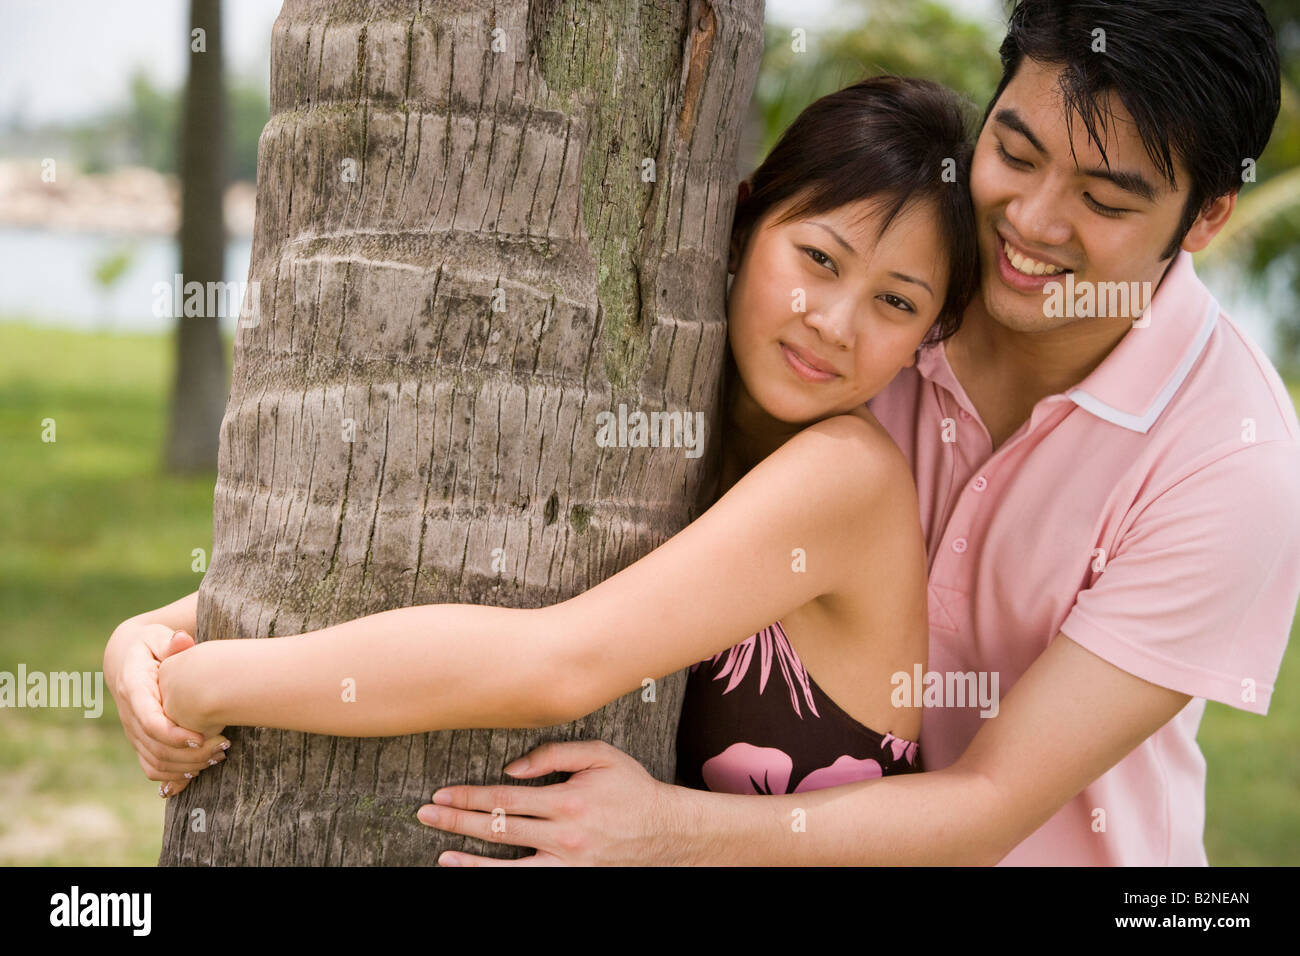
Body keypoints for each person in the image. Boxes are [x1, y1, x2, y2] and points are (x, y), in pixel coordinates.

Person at [407, 0, 1300, 866]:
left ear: (1209, 215)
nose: (1031, 221)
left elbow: (987, 809)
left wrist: (665, 834)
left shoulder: (1231, 462)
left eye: (1104, 201)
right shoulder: (881, 310)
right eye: (1016, 154)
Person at [104, 76, 980, 799]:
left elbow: (553, 668)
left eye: (896, 302)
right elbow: (443, 562)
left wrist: (210, 683)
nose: (833, 322)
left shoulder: (846, 476)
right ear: (744, 225)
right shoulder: (673, 429)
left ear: (927, 336)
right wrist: (151, 636)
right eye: (818, 260)